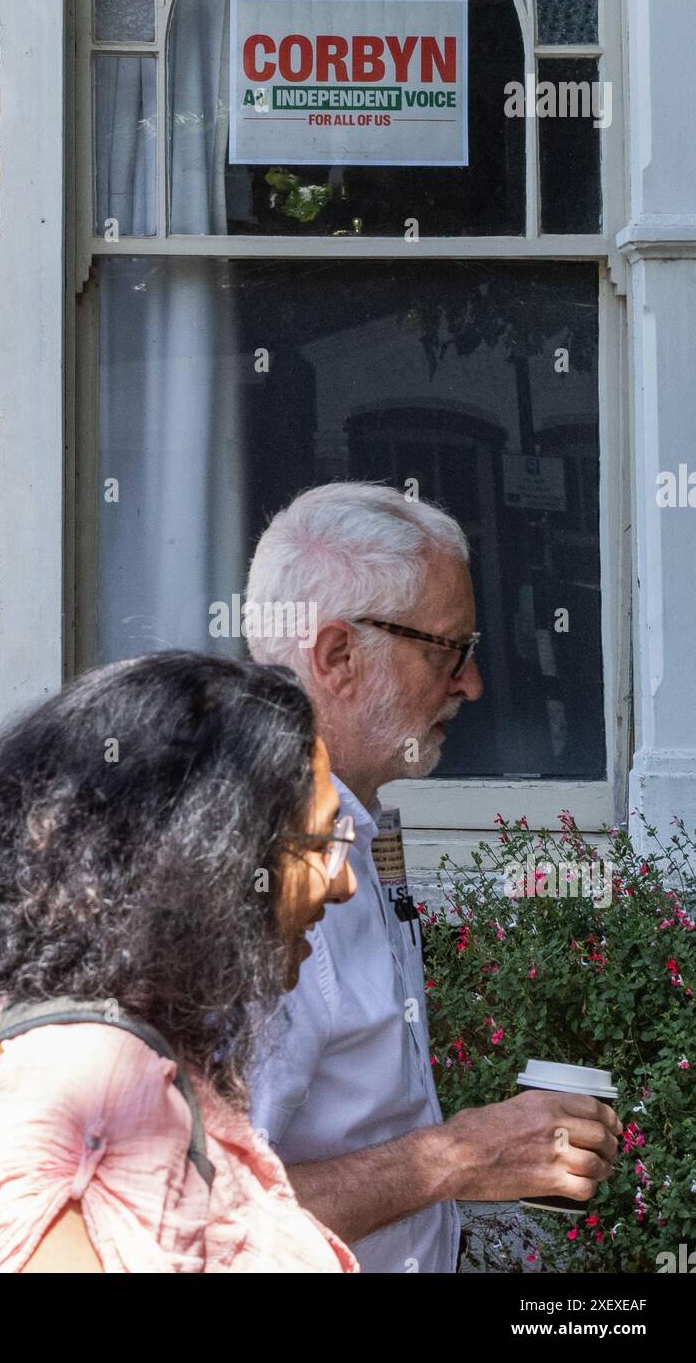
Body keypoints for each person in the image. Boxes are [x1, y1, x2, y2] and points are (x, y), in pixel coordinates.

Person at [245, 483, 622, 1273]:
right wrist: (457, 1157)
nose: (473, 683)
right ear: (337, 656)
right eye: (447, 650)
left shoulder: (359, 820)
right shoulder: (262, 869)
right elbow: (208, 1214)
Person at [0, 652, 359, 1272]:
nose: (343, 881)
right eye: (320, 844)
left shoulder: (108, 1047)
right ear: (209, 861)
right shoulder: (84, 1082)